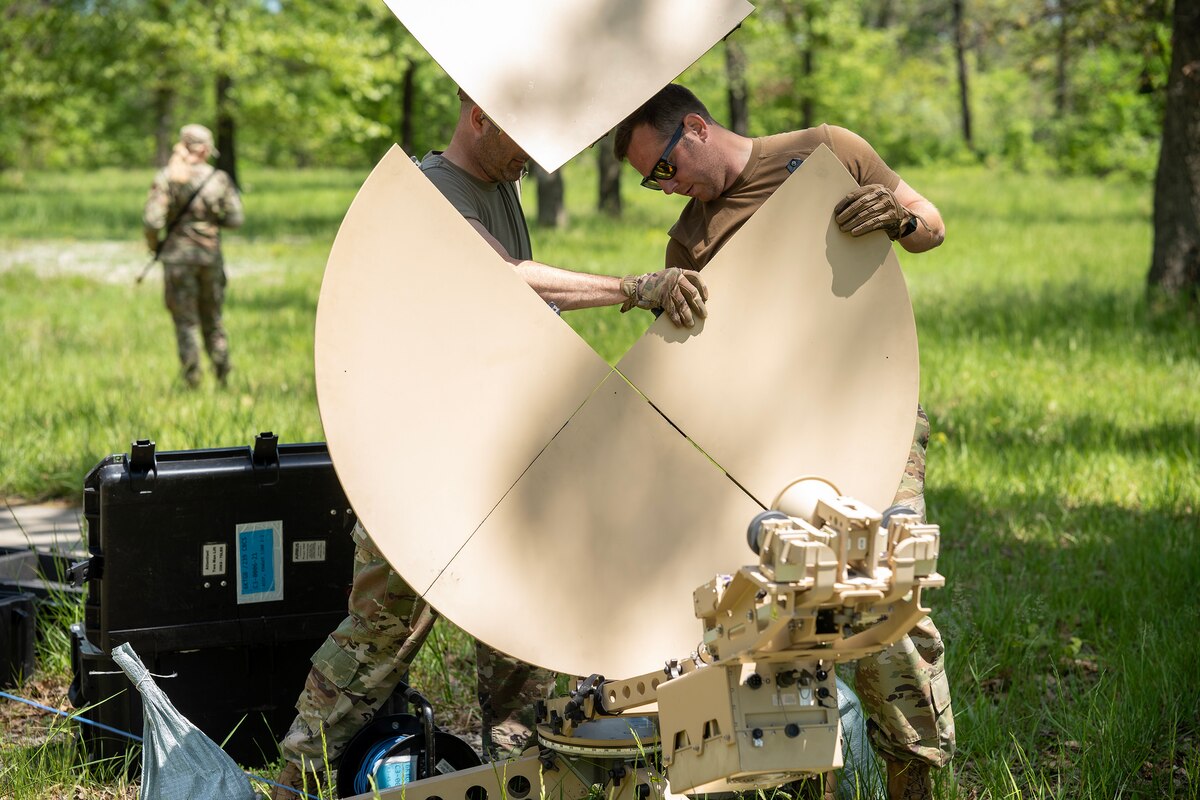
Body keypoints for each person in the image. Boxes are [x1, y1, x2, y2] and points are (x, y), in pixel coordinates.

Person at [271, 90, 710, 799]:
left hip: (493, 452)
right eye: (521, 139)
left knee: (519, 633)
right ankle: (294, 780)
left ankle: (516, 775)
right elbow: (501, 280)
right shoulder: (433, 190)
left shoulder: (499, 186)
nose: (532, 158)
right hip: (421, 462)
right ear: (478, 114)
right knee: (381, 636)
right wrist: (632, 287)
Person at [613, 84, 953, 800]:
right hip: (774, 447)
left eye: (664, 168)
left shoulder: (824, 150)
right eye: (653, 181)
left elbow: (932, 225)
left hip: (872, 413)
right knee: (786, 621)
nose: (664, 187)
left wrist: (896, 216)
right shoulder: (691, 238)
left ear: (697, 128)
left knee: (884, 605)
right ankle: (806, 780)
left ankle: (913, 780)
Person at [142, 124, 243, 388]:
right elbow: (236, 218)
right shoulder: (218, 180)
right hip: (210, 258)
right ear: (206, 150)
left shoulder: (167, 178)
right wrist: (210, 224)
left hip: (177, 260)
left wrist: (155, 246)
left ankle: (192, 380)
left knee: (185, 322)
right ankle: (223, 376)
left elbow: (153, 221)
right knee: (213, 319)